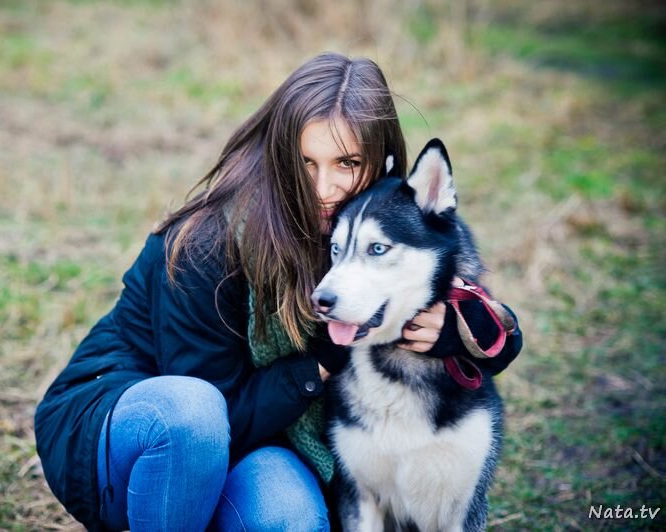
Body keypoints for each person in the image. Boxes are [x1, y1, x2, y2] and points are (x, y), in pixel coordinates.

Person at [34, 52, 523, 531]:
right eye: (305, 162)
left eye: (346, 162)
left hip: (261, 445)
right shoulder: (208, 242)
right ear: (280, 154)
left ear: (380, 161)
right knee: (193, 414)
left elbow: (471, 308)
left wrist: (458, 333)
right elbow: (214, 414)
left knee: (290, 517)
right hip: (135, 432)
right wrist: (326, 354)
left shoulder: (376, 228)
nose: (324, 188)